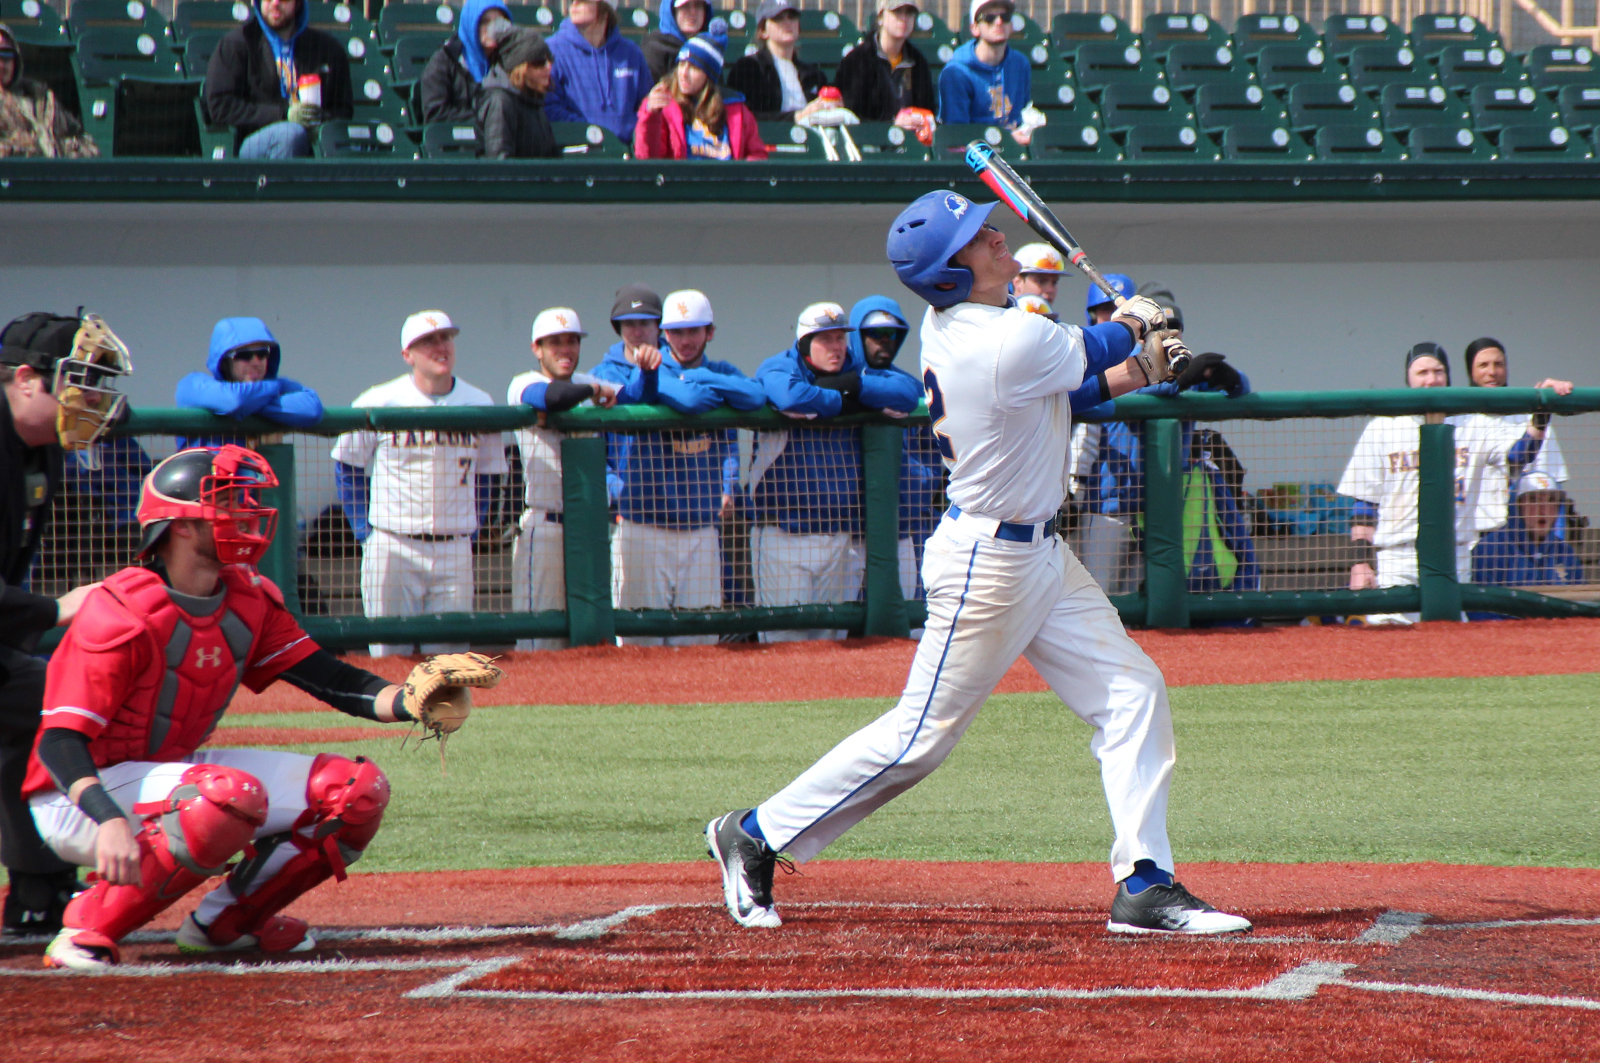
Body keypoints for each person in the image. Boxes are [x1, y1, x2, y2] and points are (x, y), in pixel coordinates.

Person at [707, 189, 1250, 937]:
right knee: (919, 738)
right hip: (987, 563)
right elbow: (1093, 351)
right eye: (976, 237)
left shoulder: (990, 330)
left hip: (1041, 555)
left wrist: (1153, 365)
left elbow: (1080, 391)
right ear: (949, 273)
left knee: (1133, 691)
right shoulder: (998, 338)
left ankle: (1143, 881)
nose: (997, 236)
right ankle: (756, 832)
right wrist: (1141, 317)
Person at [22, 445, 455, 970]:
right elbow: (60, 742)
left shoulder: (248, 597)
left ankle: (224, 925)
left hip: (166, 777)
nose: (247, 514)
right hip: (75, 799)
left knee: (353, 792)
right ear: (180, 526)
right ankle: (87, 929)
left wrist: (411, 701)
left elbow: (330, 678)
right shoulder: (119, 611)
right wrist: (108, 819)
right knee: (226, 798)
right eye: (227, 502)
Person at [0, 311, 130, 940]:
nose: (91, 400)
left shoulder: (38, 447)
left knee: (30, 722)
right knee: (62, 707)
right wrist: (54, 611)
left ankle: (36, 889)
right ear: (25, 379)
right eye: (76, 383)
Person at [331, 311, 508, 658]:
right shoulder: (380, 399)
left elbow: (489, 474)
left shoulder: (479, 402)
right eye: (428, 341)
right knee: (390, 657)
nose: (440, 346)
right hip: (393, 543)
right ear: (407, 355)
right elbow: (346, 462)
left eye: (445, 338)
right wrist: (363, 530)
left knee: (450, 662)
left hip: (454, 547)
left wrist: (474, 529)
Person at [1338, 343, 1551, 626]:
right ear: (1408, 379)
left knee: (1449, 647)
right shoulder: (1382, 427)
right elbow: (1364, 504)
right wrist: (1361, 561)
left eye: (1438, 371)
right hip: (1397, 557)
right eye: (1422, 372)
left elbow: (1519, 454)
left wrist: (1541, 417)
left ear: (1448, 376)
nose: (1431, 379)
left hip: (1455, 556)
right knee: (1391, 644)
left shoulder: (1475, 423)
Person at [750, 302, 923, 641]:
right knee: (784, 644)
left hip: (839, 536)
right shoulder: (780, 366)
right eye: (824, 339)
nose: (835, 347)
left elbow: (906, 392)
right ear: (803, 343)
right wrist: (845, 400)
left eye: (840, 338)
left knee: (831, 643)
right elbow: (790, 396)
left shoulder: (855, 369)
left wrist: (856, 387)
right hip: (784, 533)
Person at [610, 289, 764, 646]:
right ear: (664, 334)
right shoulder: (650, 367)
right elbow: (690, 400)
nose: (685, 340)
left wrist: (701, 379)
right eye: (677, 332)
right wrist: (705, 390)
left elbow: (755, 397)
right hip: (647, 524)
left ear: (709, 332)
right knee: (641, 641)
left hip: (700, 526)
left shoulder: (720, 370)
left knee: (699, 641)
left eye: (694, 331)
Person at [506, 307, 659, 651]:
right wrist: (592, 390)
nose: (565, 349)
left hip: (589, 529)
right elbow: (552, 397)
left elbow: (640, 397)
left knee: (592, 639)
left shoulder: (588, 381)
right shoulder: (524, 382)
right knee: (540, 639)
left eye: (572, 341)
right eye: (555, 342)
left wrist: (648, 372)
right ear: (537, 348)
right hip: (545, 525)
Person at [848, 294, 941, 601]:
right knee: (835, 628)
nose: (884, 341)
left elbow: (934, 452)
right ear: (858, 335)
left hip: (900, 529)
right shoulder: (838, 378)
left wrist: (920, 484)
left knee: (903, 625)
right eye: (874, 333)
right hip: (843, 532)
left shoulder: (912, 386)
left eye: (891, 334)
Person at [203, 0, 353, 159]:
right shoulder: (236, 44)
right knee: (289, 134)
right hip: (250, 141)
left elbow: (343, 110)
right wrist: (284, 114)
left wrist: (317, 120)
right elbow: (220, 106)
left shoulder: (328, 49)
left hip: (313, 139)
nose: (275, 3)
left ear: (298, 3)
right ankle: (280, 184)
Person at [1462, 336, 1574, 541]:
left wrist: (1555, 544)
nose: (1492, 371)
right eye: (1483, 365)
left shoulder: (1531, 417)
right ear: (1471, 371)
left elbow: (1552, 486)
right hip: (1470, 535)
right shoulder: (1460, 422)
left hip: (1521, 536)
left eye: (1498, 364)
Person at [174, 317, 324, 449]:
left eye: (262, 353)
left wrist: (254, 401)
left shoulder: (275, 385)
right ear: (224, 361)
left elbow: (311, 409)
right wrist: (268, 393)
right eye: (244, 355)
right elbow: (234, 401)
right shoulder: (193, 384)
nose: (256, 362)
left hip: (258, 479)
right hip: (208, 478)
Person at [635, 25, 766, 160]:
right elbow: (647, 158)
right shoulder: (663, 104)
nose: (684, 74)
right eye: (681, 64)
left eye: (693, 68)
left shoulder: (736, 110)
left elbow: (757, 154)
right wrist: (651, 116)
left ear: (708, 76)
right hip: (681, 179)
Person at [544, 0, 652, 144]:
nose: (574, 3)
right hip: (574, 152)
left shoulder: (631, 53)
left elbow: (646, 106)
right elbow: (549, 109)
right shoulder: (552, 50)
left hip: (625, 154)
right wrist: (594, 132)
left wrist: (628, 130)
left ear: (605, 7)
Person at [937, 0, 1031, 142]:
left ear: (1011, 26)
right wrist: (1008, 140)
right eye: (989, 18)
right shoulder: (956, 72)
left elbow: (1023, 115)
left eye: (1005, 17)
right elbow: (956, 136)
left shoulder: (1020, 64)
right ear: (975, 28)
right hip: (974, 158)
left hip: (1016, 155)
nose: (999, 22)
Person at [1471, 472, 1584, 590]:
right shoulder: (1490, 550)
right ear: (1517, 506)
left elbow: (1582, 602)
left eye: (1551, 500)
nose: (1543, 509)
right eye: (1534, 500)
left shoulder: (1565, 553)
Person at [0, 23, 97, 157]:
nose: (1, 64)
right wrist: (30, 151)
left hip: (58, 173)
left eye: (6, 55)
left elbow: (86, 142)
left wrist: (67, 151)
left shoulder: (42, 97)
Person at [832, 0, 936, 125]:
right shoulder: (856, 61)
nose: (904, 18)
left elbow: (927, 111)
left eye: (909, 13)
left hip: (911, 141)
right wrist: (892, 125)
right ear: (880, 17)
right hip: (868, 142)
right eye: (896, 11)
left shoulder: (918, 63)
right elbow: (851, 118)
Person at [724, 0, 829, 123]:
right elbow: (746, 118)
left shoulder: (814, 75)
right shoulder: (750, 69)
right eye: (778, 18)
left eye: (792, 17)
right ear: (763, 31)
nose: (787, 23)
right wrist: (797, 117)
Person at [421, 0, 512, 123]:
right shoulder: (445, 60)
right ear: (471, 25)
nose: (493, 29)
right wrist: (486, 118)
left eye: (499, 22)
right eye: (485, 22)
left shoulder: (511, 62)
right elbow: (435, 114)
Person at [475, 27, 559, 159]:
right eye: (539, 62)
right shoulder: (501, 102)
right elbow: (500, 163)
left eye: (550, 60)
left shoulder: (533, 99)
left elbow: (552, 157)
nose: (548, 67)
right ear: (519, 68)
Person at [642, 0, 712, 83]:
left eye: (698, 5)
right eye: (685, 6)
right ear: (672, 11)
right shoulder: (655, 48)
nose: (693, 12)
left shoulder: (709, 48)